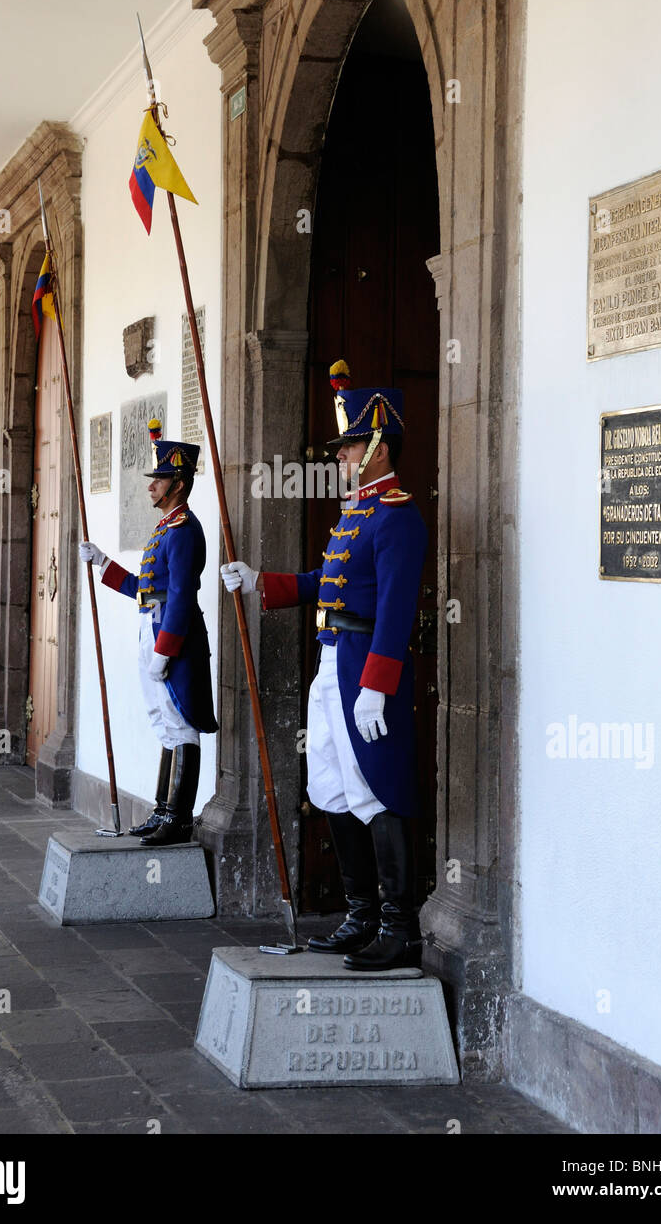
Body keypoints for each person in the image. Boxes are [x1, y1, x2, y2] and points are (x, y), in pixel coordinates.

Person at [220, 361, 427, 970]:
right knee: (331, 786)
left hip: (365, 669)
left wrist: (378, 686)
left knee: (377, 788)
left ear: (378, 447)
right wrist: (263, 582)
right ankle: (361, 915)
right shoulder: (356, 512)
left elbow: (393, 609)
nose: (341, 457)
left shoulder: (397, 516)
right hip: (331, 661)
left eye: (351, 445)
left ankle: (399, 927)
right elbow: (324, 582)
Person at [80, 422, 217, 845]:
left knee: (181, 726)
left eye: (158, 479)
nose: (150, 486)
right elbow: (147, 586)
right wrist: (104, 564)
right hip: (153, 630)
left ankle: (178, 818)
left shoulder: (185, 531)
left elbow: (179, 597)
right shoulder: (165, 529)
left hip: (172, 640)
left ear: (178, 483)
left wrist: (164, 650)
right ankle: (163, 811)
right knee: (164, 723)